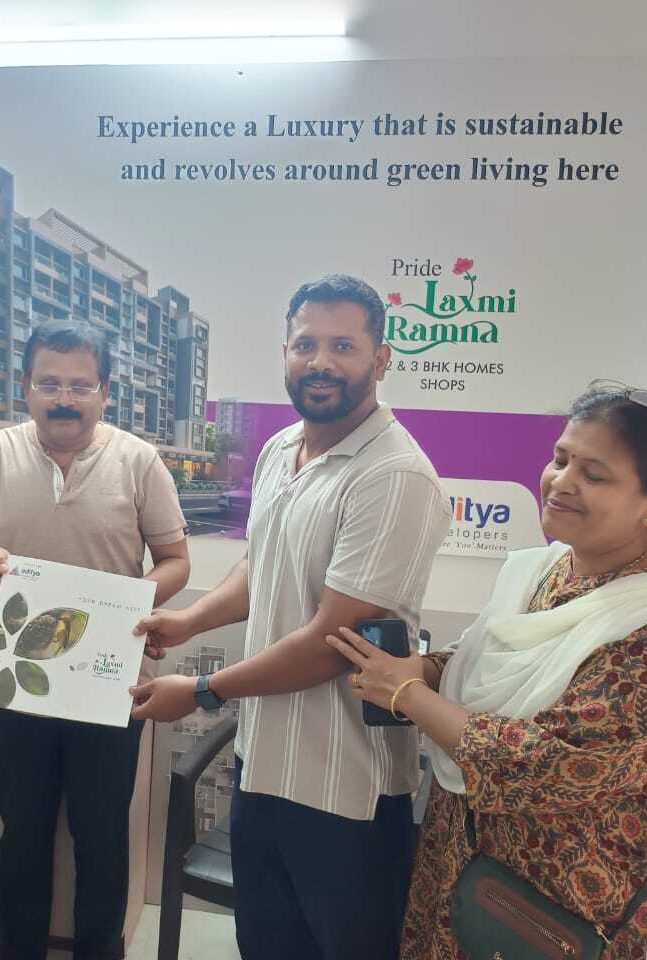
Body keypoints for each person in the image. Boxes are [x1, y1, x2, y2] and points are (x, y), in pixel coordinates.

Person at [326, 380, 647, 958]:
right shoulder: (544, 572)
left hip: (554, 912)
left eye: (594, 474)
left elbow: (555, 764)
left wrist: (410, 695)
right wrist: (424, 668)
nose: (562, 481)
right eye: (560, 458)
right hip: (460, 878)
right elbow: (488, 662)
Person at [130, 275, 451, 960]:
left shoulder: (394, 475)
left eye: (343, 346)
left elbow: (332, 643)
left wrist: (203, 690)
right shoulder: (280, 451)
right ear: (285, 353)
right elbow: (263, 565)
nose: (321, 362)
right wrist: (190, 621)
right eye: (306, 344)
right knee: (266, 946)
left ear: (381, 359)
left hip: (346, 789)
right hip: (263, 767)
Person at [0, 319, 190, 960]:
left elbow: (175, 562)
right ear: (26, 386)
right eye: (49, 383)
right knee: (22, 828)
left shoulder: (139, 461)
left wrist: (132, 608)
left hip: (108, 678)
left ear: (105, 391)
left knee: (101, 833)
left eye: (81, 385)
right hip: (16, 676)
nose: (65, 399)